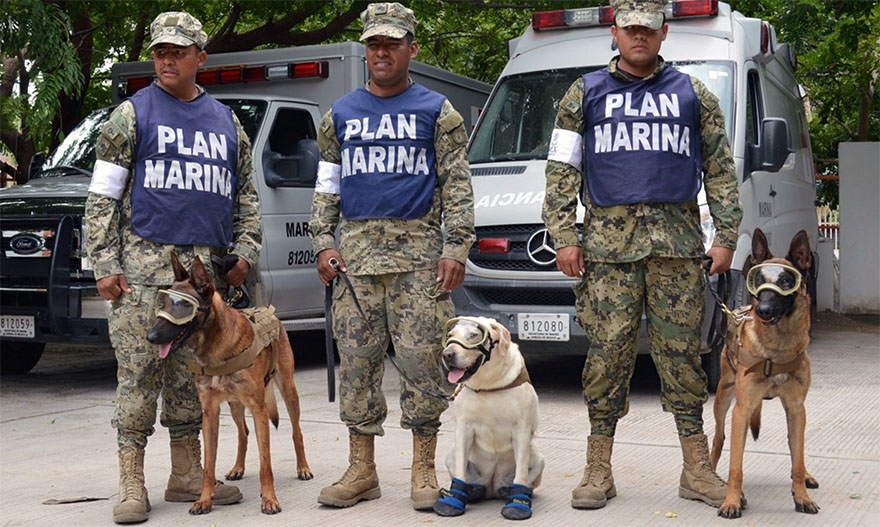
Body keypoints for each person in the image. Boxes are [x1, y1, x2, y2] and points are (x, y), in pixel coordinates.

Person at [541, 0, 743, 511]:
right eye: (630, 28)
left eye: (648, 29)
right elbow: (561, 171)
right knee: (606, 358)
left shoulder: (693, 95)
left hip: (677, 249)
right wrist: (564, 235)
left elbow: (719, 169)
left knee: (682, 360)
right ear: (615, 31)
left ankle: (696, 468)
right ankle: (598, 468)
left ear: (663, 34)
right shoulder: (583, 94)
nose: (639, 37)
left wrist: (725, 236)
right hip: (607, 253)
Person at [84, 11, 262, 524]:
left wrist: (245, 253)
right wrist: (105, 263)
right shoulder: (130, 116)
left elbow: (245, 197)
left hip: (202, 282)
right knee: (138, 378)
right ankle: (131, 483)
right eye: (160, 51)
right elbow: (102, 199)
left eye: (178, 51)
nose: (166, 58)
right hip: (140, 276)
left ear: (200, 58)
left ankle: (187, 476)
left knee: (193, 382)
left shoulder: (226, 123)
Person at [308, 1, 475, 511]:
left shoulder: (437, 112)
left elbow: (457, 186)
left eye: (391, 44)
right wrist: (323, 242)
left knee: (424, 366)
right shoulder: (340, 116)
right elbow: (326, 188)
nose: (381, 52)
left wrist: (456, 246)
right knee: (356, 368)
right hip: (355, 267)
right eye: (374, 44)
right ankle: (362, 470)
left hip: (420, 263)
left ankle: (423, 469)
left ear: (411, 49)